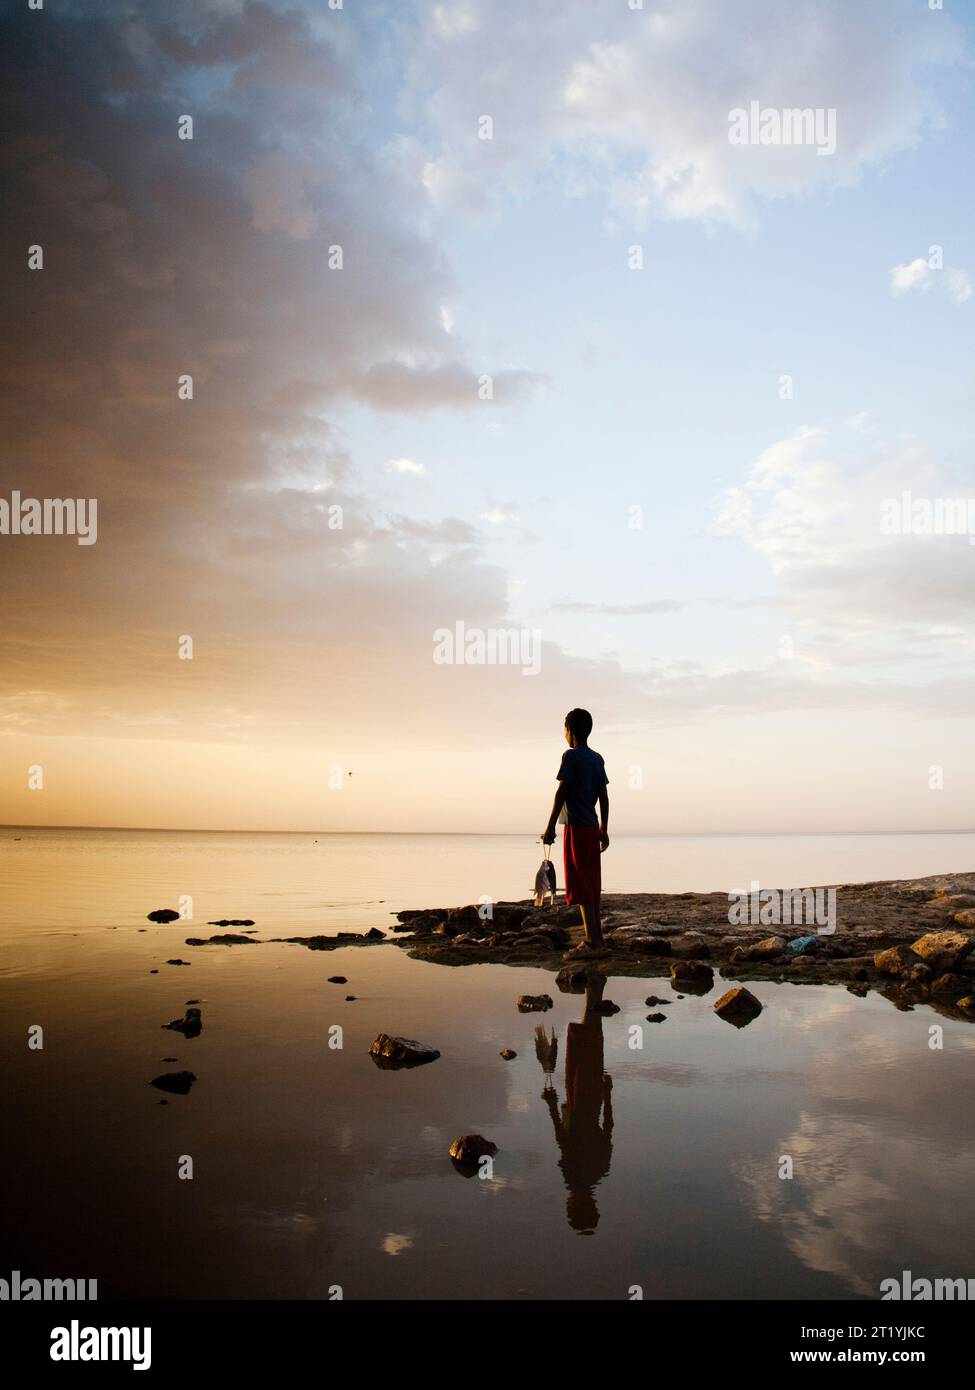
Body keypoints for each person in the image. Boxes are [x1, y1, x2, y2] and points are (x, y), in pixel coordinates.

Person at [541, 708, 610, 959]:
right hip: (591, 827)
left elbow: (561, 792)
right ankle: (598, 940)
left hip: (576, 828)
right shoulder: (597, 758)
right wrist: (604, 828)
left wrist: (549, 826)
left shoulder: (570, 757)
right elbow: (604, 796)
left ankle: (591, 942)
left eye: (564, 729)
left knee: (580, 884)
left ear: (569, 732)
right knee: (591, 883)